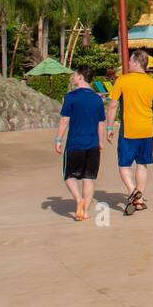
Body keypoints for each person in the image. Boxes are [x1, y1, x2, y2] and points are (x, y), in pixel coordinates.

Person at [106, 50, 153, 216]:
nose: (127, 64)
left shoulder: (122, 80)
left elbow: (113, 106)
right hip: (147, 131)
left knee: (124, 165)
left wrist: (109, 127)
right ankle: (139, 201)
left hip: (129, 131)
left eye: (129, 61)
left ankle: (133, 191)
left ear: (135, 63)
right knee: (142, 164)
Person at [56, 66, 106, 222]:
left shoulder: (70, 97)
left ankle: (78, 200)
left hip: (75, 143)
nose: (73, 77)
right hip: (92, 144)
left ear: (80, 77)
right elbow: (101, 122)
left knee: (69, 175)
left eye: (74, 75)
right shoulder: (97, 98)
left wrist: (58, 139)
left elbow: (65, 119)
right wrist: (100, 141)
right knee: (88, 177)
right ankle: (84, 211)